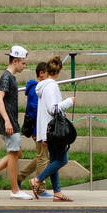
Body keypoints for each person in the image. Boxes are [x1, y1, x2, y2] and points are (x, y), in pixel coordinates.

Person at [0, 45, 34, 200]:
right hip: (9, 121)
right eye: (23, 63)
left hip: (11, 121)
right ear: (15, 61)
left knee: (17, 153)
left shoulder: (10, 77)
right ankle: (15, 190)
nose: (25, 66)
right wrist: (7, 121)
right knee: (13, 153)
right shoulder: (6, 77)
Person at [30, 56, 76, 202]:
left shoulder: (44, 86)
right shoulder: (51, 86)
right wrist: (69, 101)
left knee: (54, 160)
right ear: (57, 71)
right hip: (54, 132)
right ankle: (37, 180)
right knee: (62, 160)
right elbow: (52, 109)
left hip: (48, 131)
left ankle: (57, 192)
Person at [16, 62, 53, 200]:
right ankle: (40, 188)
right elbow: (35, 110)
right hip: (38, 129)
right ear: (41, 73)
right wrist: (41, 131)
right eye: (47, 74)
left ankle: (20, 177)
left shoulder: (38, 87)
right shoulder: (36, 88)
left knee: (42, 157)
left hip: (40, 128)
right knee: (43, 158)